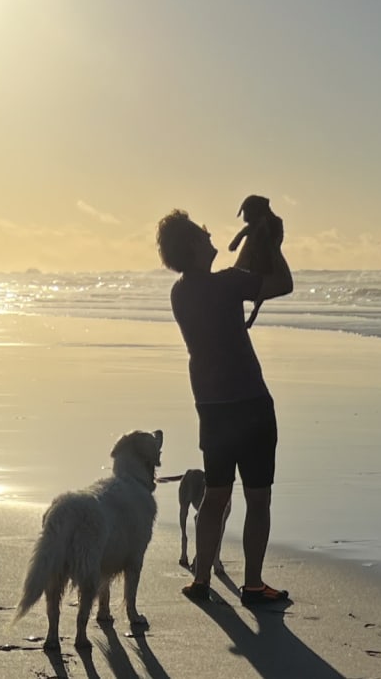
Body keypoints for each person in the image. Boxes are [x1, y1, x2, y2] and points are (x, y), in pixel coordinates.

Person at [156, 207, 293, 605]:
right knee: (258, 497)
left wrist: (255, 242)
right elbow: (281, 283)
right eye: (203, 234)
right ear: (195, 247)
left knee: (216, 495)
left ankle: (201, 579)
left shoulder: (181, 292)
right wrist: (272, 243)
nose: (210, 234)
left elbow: (229, 279)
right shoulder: (228, 284)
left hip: (212, 408)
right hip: (250, 403)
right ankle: (252, 584)